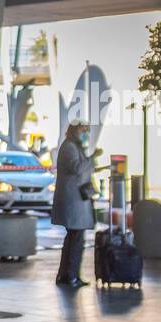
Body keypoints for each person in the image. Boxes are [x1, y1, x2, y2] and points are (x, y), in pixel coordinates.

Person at [52, 119, 99, 287]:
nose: (85, 134)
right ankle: (71, 276)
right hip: (74, 201)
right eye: (83, 130)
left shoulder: (73, 146)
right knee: (75, 240)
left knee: (73, 239)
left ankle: (66, 275)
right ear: (75, 131)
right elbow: (77, 168)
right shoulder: (69, 147)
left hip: (77, 201)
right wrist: (92, 158)